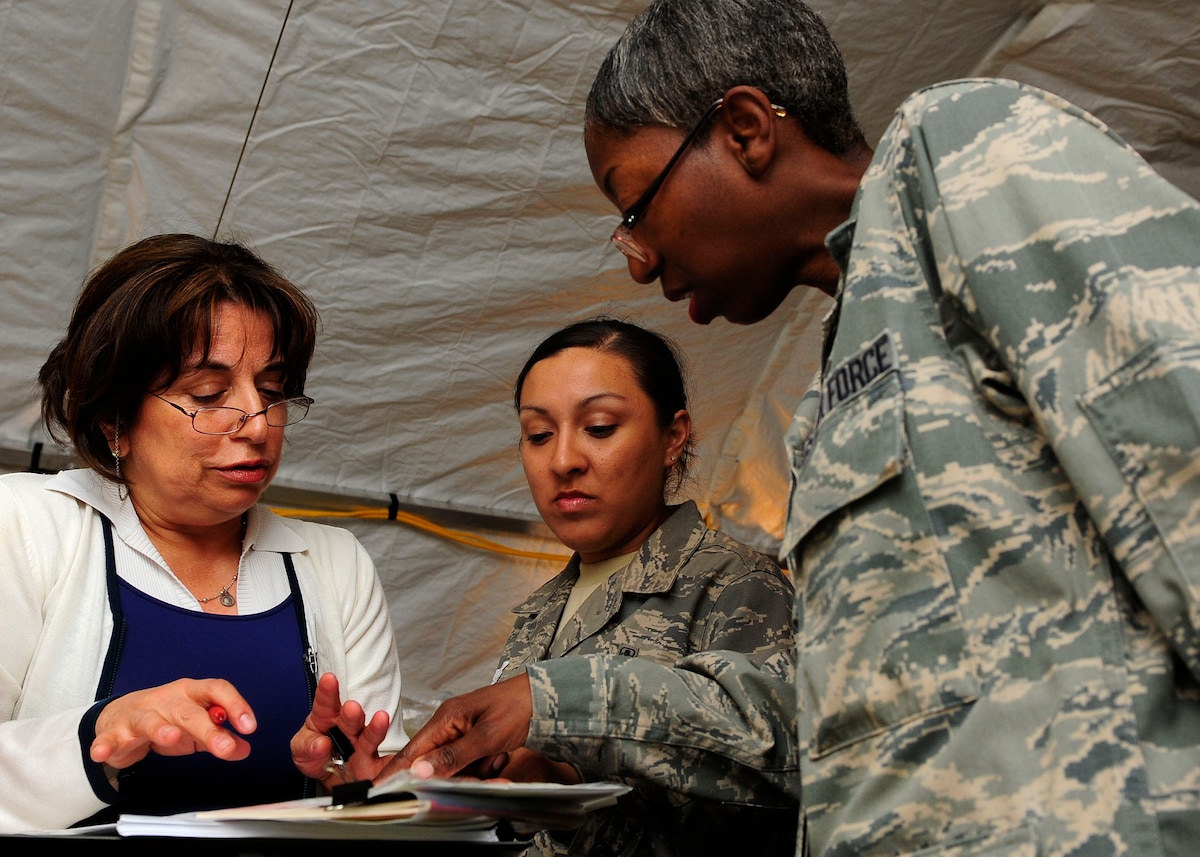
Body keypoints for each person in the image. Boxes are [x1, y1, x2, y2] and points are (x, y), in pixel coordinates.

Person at [381, 1, 1200, 856]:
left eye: (638, 205)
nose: (639, 257)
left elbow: (1180, 450)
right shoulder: (843, 369)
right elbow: (828, 723)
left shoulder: (959, 150)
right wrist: (555, 709)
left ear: (744, 130)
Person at [294, 316, 799, 856]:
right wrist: (403, 799)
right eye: (538, 435)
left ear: (673, 437)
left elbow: (791, 758)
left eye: (600, 427)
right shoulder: (543, 611)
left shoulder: (738, 585)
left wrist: (558, 708)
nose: (562, 460)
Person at [0, 233, 406, 832]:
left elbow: (381, 786)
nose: (258, 423)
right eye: (210, 394)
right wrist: (103, 732)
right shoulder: (24, 526)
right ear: (116, 417)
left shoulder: (335, 563)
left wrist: (359, 796)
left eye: (271, 390)